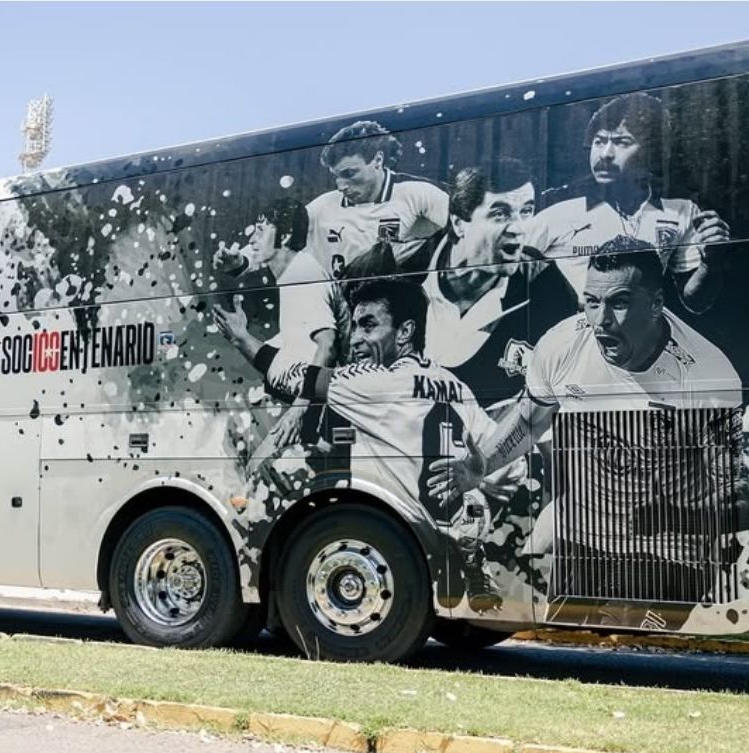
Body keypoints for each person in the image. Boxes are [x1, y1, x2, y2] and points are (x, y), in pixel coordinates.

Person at [427, 237, 742, 622]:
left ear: (656, 306)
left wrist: (676, 517)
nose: (600, 320)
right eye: (592, 302)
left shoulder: (707, 375)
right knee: (575, 657)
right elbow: (530, 419)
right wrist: (483, 465)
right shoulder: (563, 345)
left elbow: (737, 495)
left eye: (619, 303)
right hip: (584, 542)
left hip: (668, 551)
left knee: (627, 653)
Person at [216, 277, 515, 611]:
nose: (355, 339)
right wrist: (482, 472)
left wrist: (242, 337)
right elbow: (498, 448)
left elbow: (293, 375)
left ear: (405, 332)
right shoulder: (453, 384)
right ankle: (470, 557)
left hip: (412, 530)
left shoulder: (373, 383)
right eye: (354, 326)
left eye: (368, 326)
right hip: (456, 519)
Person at [527, 92, 731, 313]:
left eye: (621, 142)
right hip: (572, 337)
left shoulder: (681, 209)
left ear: (652, 153)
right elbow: (509, 279)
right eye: (599, 141)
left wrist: (711, 263)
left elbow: (696, 303)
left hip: (640, 340)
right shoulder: (554, 204)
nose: (605, 154)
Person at [412, 157, 576, 403]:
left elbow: (571, 377)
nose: (519, 229)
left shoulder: (545, 283)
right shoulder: (399, 271)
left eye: (526, 211)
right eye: (500, 214)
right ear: (459, 223)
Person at [218, 198, 339, 448]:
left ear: (283, 237)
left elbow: (328, 345)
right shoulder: (293, 277)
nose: (251, 241)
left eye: (260, 231)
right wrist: (241, 337)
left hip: (325, 422)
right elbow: (277, 365)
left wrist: (299, 410)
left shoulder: (303, 275)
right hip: (316, 423)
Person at [306, 121, 448, 279]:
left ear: (378, 160)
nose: (341, 186)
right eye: (336, 176)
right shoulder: (320, 208)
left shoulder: (418, 193)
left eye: (350, 174)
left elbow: (468, 231)